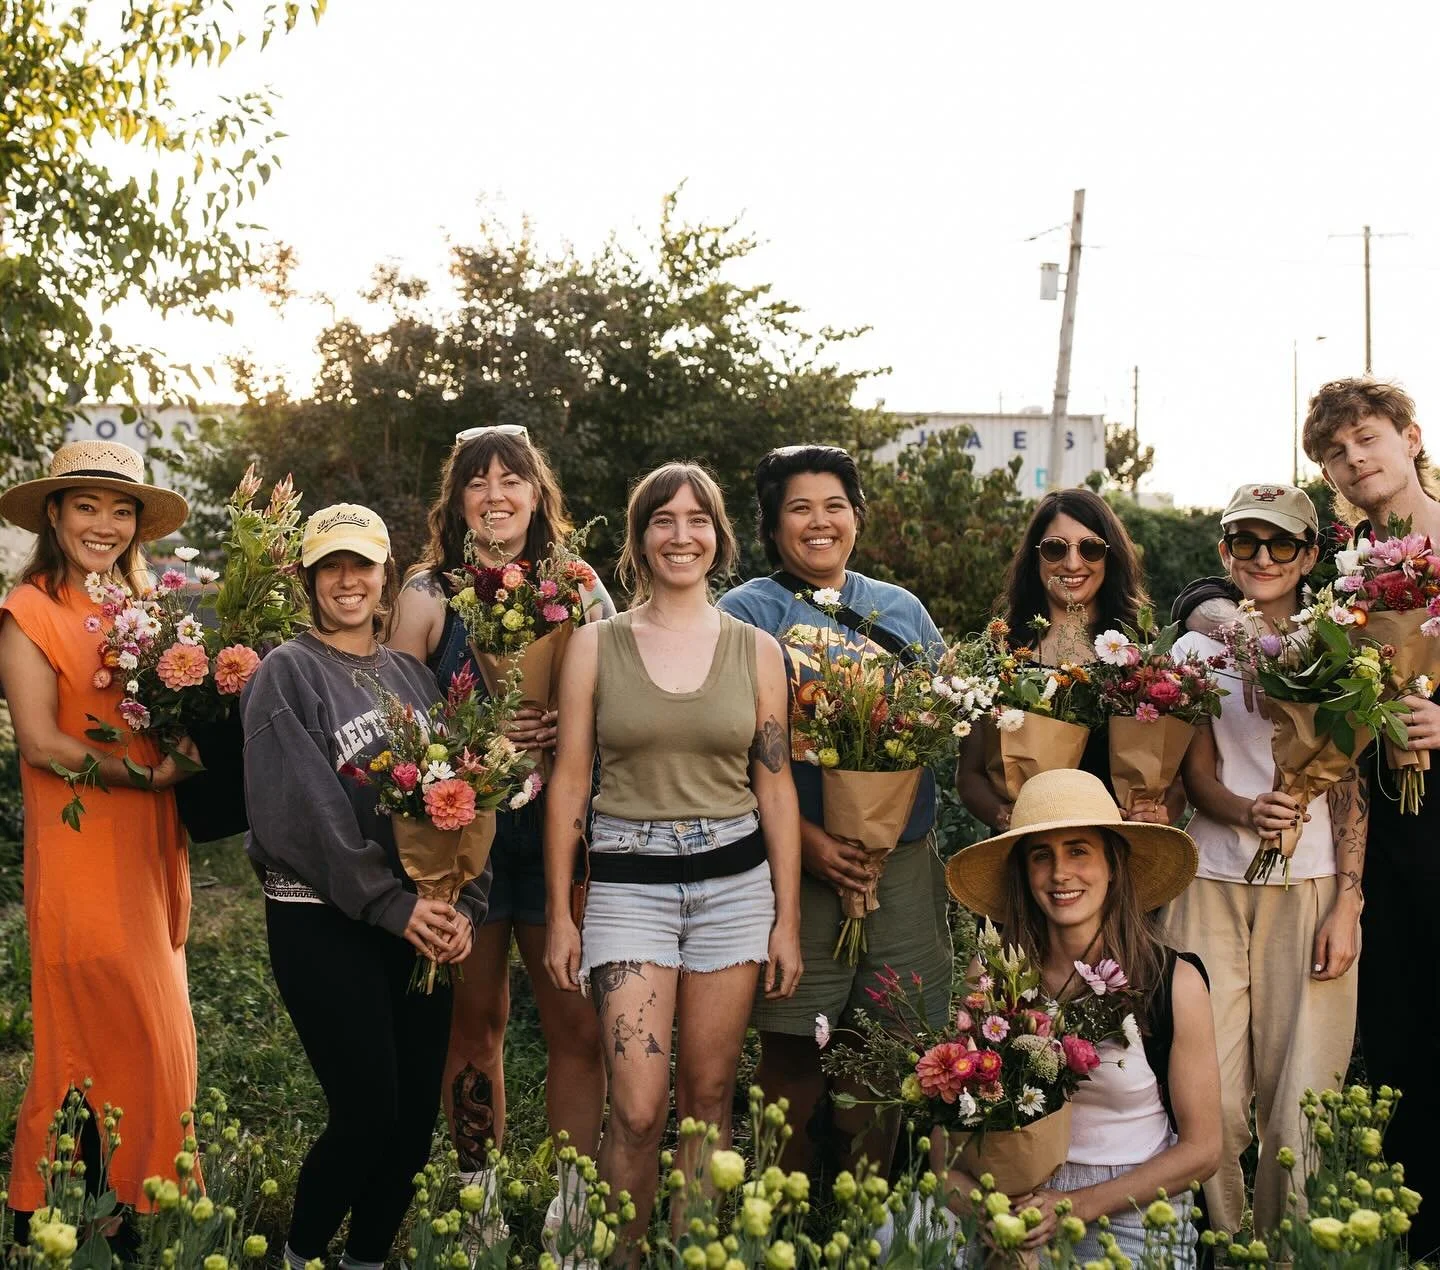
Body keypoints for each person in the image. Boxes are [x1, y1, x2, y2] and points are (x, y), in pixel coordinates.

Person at [544, 462, 803, 1264]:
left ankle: (695, 1253)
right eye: (664, 519)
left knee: (710, 1100)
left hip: (735, 890)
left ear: (717, 536)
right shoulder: (595, 646)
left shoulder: (757, 652)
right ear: (641, 538)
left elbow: (775, 784)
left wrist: (787, 919)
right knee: (640, 1110)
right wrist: (560, 912)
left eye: (697, 519)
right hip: (629, 890)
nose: (681, 534)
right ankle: (618, 1256)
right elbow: (571, 785)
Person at [243, 503, 487, 1270]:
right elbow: (304, 814)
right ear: (308, 580)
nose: (348, 580)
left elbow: (465, 797)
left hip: (421, 919)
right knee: (367, 1111)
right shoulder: (290, 671)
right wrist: (391, 903)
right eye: (330, 567)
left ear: (386, 575)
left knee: (414, 1120)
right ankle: (303, 1252)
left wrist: (465, 904)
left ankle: (368, 1259)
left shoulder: (412, 677)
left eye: (362, 564)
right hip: (325, 920)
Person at [387, 424, 612, 1240]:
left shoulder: (576, 583)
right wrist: (476, 731)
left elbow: (616, 693)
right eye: (477, 482)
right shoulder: (427, 590)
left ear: (535, 492)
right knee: (473, 1024)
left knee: (576, 1025)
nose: (494, 495)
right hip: (461, 834)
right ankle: (475, 1195)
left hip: (563, 831)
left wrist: (567, 722)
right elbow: (391, 713)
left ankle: (573, 1204)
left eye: (509, 479)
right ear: (458, 499)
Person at [716, 444, 952, 1177]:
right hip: (796, 867)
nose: (820, 523)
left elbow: (945, 717)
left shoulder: (901, 610)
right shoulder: (746, 610)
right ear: (773, 523)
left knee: (887, 1042)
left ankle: (866, 1204)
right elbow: (719, 752)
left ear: (855, 515)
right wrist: (809, 844)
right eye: (799, 508)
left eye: (834, 506)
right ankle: (779, 1201)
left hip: (901, 865)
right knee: (792, 1044)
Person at [0, 441, 196, 1249]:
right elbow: (42, 742)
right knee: (98, 1020)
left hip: (152, 846)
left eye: (121, 510)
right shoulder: (27, 609)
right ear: (54, 514)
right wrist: (146, 778)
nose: (105, 524)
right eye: (86, 506)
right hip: (81, 844)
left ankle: (136, 1204)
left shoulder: (138, 607)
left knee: (158, 1025)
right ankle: (51, 1207)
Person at [1163, 482, 1365, 1238]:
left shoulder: (1344, 644)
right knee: (1206, 1088)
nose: (1262, 557)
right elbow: (1195, 772)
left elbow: (1349, 785)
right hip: (1210, 881)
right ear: (1224, 552)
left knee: (1300, 1090)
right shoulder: (1193, 649)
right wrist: (1245, 809)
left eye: (1282, 543)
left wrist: (1349, 899)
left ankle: (1285, 1251)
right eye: (1245, 542)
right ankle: (1223, 1239)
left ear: (1310, 556)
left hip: (1309, 883)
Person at [944, 769, 1221, 1265]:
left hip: (1132, 1198)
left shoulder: (1172, 982)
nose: (1059, 874)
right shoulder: (993, 976)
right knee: (894, 1238)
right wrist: (983, 1205)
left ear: (1113, 865)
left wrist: (1076, 1205)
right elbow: (943, 1130)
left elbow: (1202, 1151)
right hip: (1010, 1192)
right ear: (1024, 876)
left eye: (1078, 851)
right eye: (1040, 856)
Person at [1303, 377, 1440, 1251]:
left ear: (1411, 437)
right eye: (1334, 455)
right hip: (1384, 816)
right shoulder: (1347, 566)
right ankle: (1416, 1223)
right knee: (1399, 1020)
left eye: (1366, 440)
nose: (1355, 461)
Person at [955, 488, 1181, 830]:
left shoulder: (1141, 650)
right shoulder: (1001, 651)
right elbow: (969, 775)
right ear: (1035, 558)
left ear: (1110, 556)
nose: (1073, 563)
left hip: (1120, 843)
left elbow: (1179, 780)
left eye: (1090, 548)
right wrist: (1004, 817)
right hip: (1026, 847)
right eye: (1055, 548)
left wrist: (1162, 812)